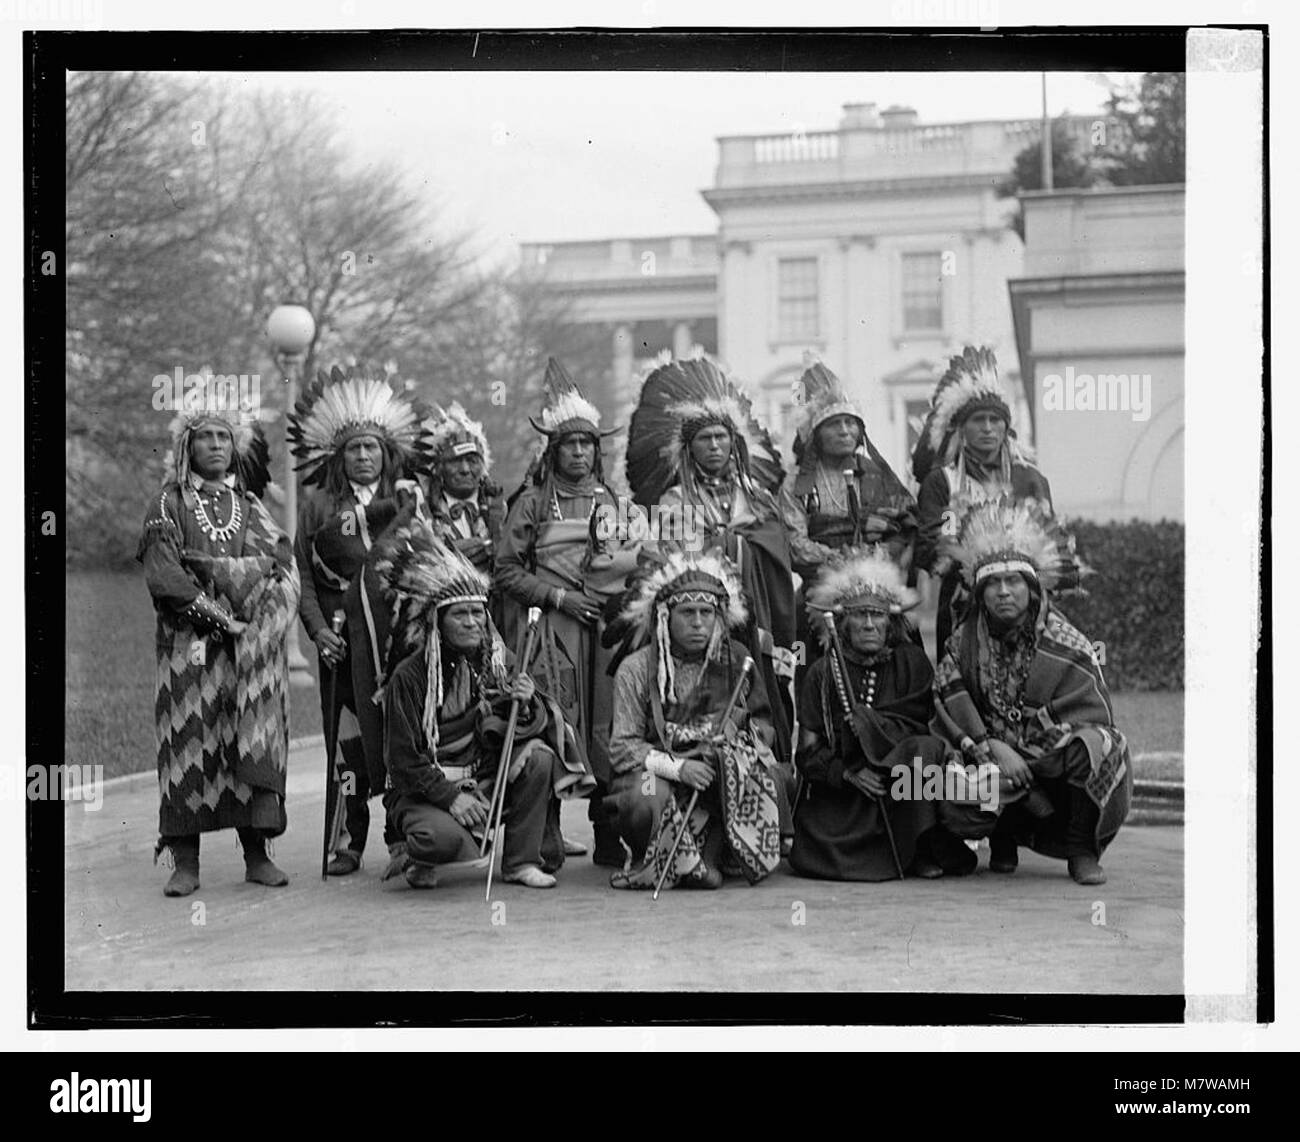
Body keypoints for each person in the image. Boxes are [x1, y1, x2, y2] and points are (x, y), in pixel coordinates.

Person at [139, 389, 300, 896]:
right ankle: (185, 862)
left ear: (236, 448)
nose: (215, 446)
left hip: (246, 653)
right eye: (204, 437)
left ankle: (257, 855)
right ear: (186, 446)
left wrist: (233, 592)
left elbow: (279, 566)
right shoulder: (168, 503)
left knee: (245, 739)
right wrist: (218, 614)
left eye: (223, 438)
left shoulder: (248, 505)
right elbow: (166, 576)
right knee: (192, 743)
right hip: (188, 650)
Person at [376, 519, 595, 889]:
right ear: (437, 620)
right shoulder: (409, 676)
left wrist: (523, 704)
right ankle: (422, 853)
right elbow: (402, 760)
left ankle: (519, 862)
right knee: (439, 839)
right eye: (461, 614)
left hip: (483, 776)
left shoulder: (493, 659)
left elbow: (517, 724)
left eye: (478, 612)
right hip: (427, 789)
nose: (473, 622)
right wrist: (450, 799)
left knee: (538, 756)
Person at [932, 497, 1130, 886]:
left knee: (1101, 745)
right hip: (989, 758)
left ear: (1033, 588)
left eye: (1014, 582)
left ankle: (1080, 848)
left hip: (1049, 758)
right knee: (945, 784)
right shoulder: (962, 643)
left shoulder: (1067, 641)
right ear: (980, 593)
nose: (1004, 592)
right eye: (993, 584)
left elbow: (1093, 714)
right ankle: (1003, 834)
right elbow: (945, 703)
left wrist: (1030, 751)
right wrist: (991, 747)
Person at [625, 351, 797, 787]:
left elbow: (780, 551)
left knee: (765, 700)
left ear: (735, 442)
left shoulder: (758, 498)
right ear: (690, 448)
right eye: (705, 439)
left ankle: (769, 793)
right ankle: (692, 777)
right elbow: (662, 560)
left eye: (722, 437)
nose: (715, 446)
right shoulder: (675, 501)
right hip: (701, 621)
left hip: (758, 620)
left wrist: (739, 543)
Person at [495, 358, 640, 868]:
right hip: (549, 634)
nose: (578, 453)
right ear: (552, 451)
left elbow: (633, 563)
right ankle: (547, 833)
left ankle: (608, 831)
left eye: (586, 444)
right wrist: (558, 598)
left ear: (597, 451)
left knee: (606, 725)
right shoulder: (532, 504)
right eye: (568, 445)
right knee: (550, 724)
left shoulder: (614, 501)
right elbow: (506, 571)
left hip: (604, 634)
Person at [289, 365, 433, 876]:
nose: (364, 456)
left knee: (401, 734)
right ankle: (348, 842)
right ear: (339, 456)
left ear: (386, 452)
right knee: (347, 746)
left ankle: (405, 836)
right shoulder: (318, 506)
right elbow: (302, 574)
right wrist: (319, 631)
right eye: (354, 449)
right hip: (344, 645)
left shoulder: (409, 502)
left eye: (372, 448)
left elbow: (426, 566)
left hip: (398, 643)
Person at [790, 546, 975, 881]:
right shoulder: (822, 672)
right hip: (844, 795)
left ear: (892, 623)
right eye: (859, 615)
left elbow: (927, 727)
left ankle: (918, 847)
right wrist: (847, 774)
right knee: (816, 854)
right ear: (842, 623)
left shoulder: (912, 663)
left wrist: (874, 735)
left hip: (903, 789)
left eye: (878, 616)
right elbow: (807, 751)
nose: (869, 625)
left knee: (925, 750)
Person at [606, 552, 783, 890]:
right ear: (664, 616)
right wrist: (678, 768)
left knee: (769, 776)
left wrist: (734, 744)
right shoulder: (636, 669)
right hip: (653, 776)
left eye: (708, 613)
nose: (699, 623)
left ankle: (714, 855)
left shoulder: (736, 661)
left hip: (718, 772)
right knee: (647, 795)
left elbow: (764, 727)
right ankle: (654, 858)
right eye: (688, 613)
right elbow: (621, 748)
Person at [911, 346, 1054, 658]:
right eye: (978, 420)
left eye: (995, 420)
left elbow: (1048, 542)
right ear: (961, 429)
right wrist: (969, 550)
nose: (988, 428)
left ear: (1006, 427)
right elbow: (927, 546)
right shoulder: (942, 481)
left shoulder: (1029, 479)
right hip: (962, 603)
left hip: (1021, 600)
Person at [778, 356, 917, 666]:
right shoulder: (795, 483)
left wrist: (876, 557)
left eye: (850, 422)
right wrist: (842, 562)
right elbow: (795, 545)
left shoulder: (878, 476)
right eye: (834, 424)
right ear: (815, 434)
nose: (844, 430)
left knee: (904, 650)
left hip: (877, 586)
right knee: (811, 655)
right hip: (821, 590)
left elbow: (906, 525)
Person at [424, 401, 506, 577]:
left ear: (483, 467)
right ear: (439, 468)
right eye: (455, 461)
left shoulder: (499, 508)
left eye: (472, 461)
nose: (465, 469)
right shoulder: (425, 510)